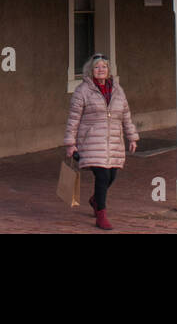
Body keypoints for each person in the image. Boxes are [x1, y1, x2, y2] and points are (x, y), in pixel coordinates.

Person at [65, 54, 138, 230]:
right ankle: (101, 215)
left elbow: (126, 115)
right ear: (91, 70)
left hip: (113, 140)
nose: (101, 70)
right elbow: (73, 118)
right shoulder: (82, 91)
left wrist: (132, 137)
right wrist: (70, 143)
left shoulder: (118, 90)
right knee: (103, 176)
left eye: (104, 67)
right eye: (97, 67)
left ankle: (96, 200)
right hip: (91, 140)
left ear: (108, 70)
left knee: (112, 175)